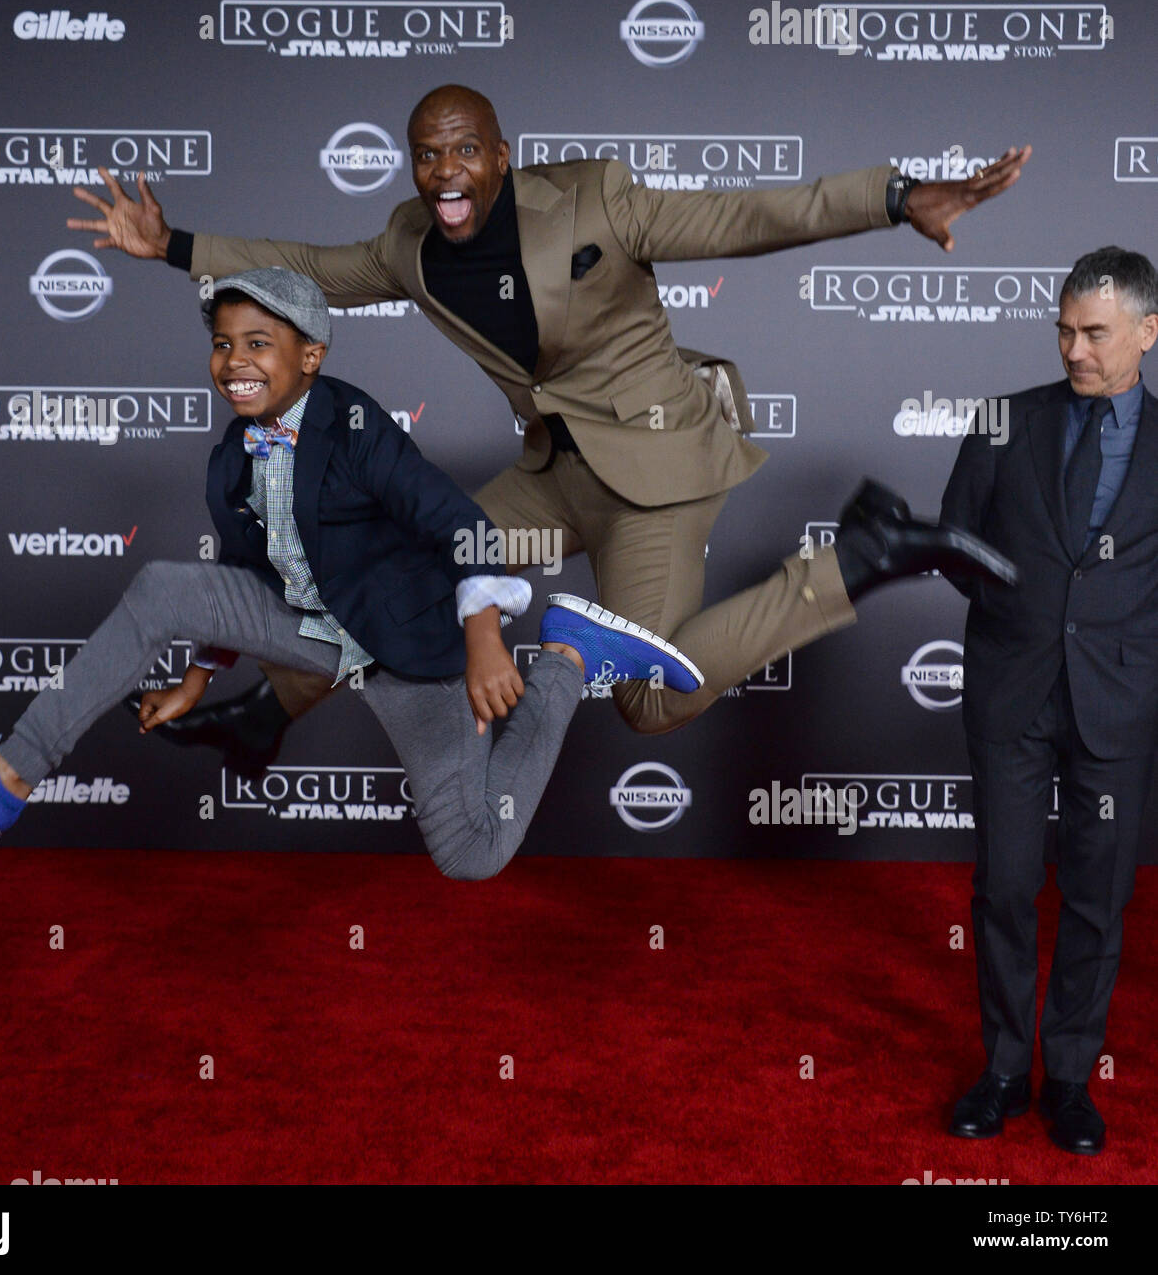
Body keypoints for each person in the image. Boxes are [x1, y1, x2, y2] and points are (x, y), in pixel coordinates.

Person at [68, 84, 1027, 761]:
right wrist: (175, 247)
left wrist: (897, 198)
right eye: (428, 153)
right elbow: (314, 270)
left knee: (649, 704)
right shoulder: (410, 242)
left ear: (502, 155)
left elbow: (750, 215)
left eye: (465, 150)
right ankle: (264, 718)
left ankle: (858, 559)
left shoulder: (596, 202)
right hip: (554, 474)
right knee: (398, 572)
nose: (446, 171)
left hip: (655, 476)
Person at [0, 268, 704, 881]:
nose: (234, 361)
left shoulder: (352, 424)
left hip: (412, 640)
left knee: (473, 854)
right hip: (319, 628)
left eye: (258, 344)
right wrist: (201, 674)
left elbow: (458, 522)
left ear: (311, 356)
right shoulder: (228, 464)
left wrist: (487, 637)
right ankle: (5, 776)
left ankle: (566, 652)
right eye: (223, 344)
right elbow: (242, 582)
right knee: (167, 587)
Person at [940, 246, 1158, 1156]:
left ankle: (1070, 1076)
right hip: (1012, 691)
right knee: (1006, 886)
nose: (1075, 350)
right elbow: (954, 544)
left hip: (1116, 700)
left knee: (1099, 898)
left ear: (1147, 332)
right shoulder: (1001, 421)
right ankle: (1001, 1070)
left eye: (1096, 333)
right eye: (1065, 330)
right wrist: (1017, 597)